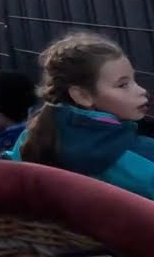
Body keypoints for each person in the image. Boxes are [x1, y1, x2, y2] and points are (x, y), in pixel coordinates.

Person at [9, 31, 154, 199]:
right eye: (123, 85)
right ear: (82, 96)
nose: (142, 90)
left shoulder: (32, 135)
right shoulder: (133, 154)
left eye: (133, 80)